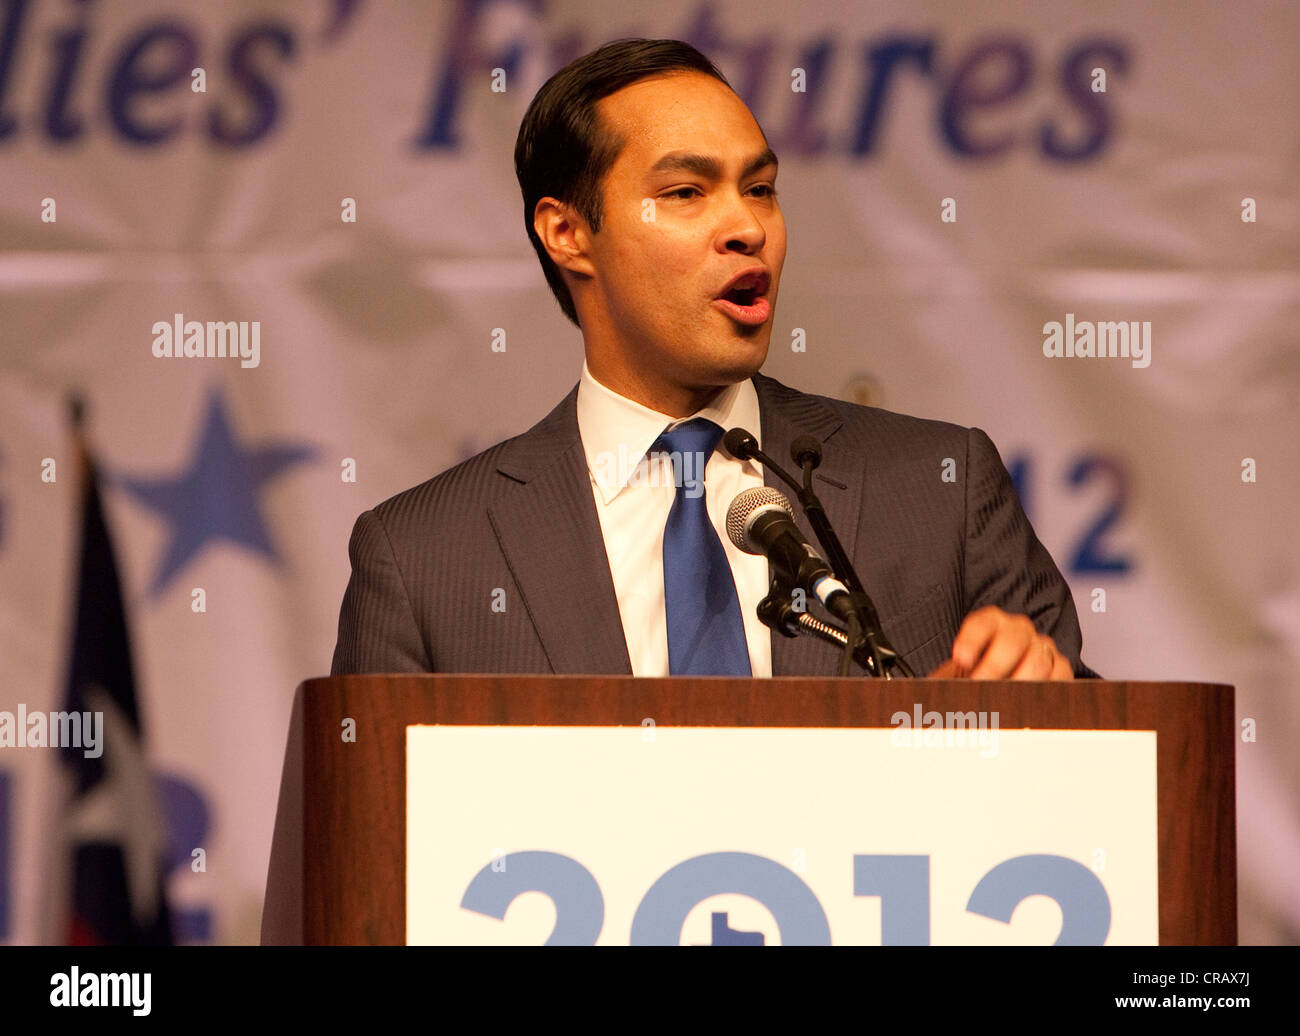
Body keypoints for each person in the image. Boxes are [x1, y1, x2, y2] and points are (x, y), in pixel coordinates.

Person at [331, 38, 1096, 681]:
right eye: (689, 191)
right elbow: (367, 843)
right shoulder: (424, 559)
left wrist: (1047, 709)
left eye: (759, 188)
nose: (747, 226)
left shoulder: (941, 492)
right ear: (567, 233)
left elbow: (1105, 801)